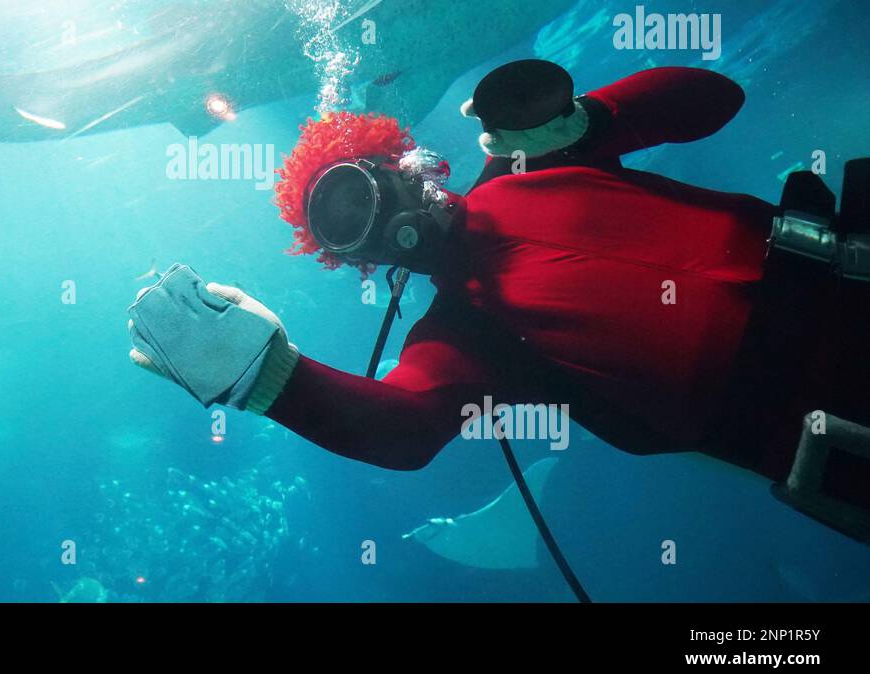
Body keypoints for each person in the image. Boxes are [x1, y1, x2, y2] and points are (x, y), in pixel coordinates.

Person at [127, 63, 870, 538]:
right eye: (346, 227)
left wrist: (588, 117)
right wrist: (267, 376)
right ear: (356, 262)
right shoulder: (459, 335)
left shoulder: (530, 155)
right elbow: (404, 429)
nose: (374, 216)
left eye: (361, 189)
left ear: (399, 160)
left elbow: (716, 98)